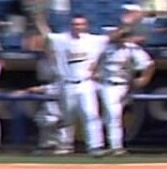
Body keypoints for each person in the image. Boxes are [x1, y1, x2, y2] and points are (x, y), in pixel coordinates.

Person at [35, 12, 110, 156]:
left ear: (86, 26)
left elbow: (111, 37)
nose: (78, 27)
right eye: (75, 24)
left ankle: (96, 147)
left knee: (91, 114)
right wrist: (39, 19)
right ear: (71, 26)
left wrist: (127, 24)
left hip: (85, 83)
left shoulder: (93, 40)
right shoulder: (62, 39)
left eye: (81, 24)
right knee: (67, 117)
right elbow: (47, 35)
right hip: (67, 84)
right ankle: (64, 145)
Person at [96, 25, 156, 156]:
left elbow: (149, 64)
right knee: (111, 115)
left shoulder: (132, 49)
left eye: (124, 36)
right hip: (105, 84)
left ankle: (114, 146)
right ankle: (114, 146)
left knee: (112, 115)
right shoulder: (104, 47)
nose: (121, 38)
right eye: (119, 35)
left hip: (123, 86)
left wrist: (144, 78)